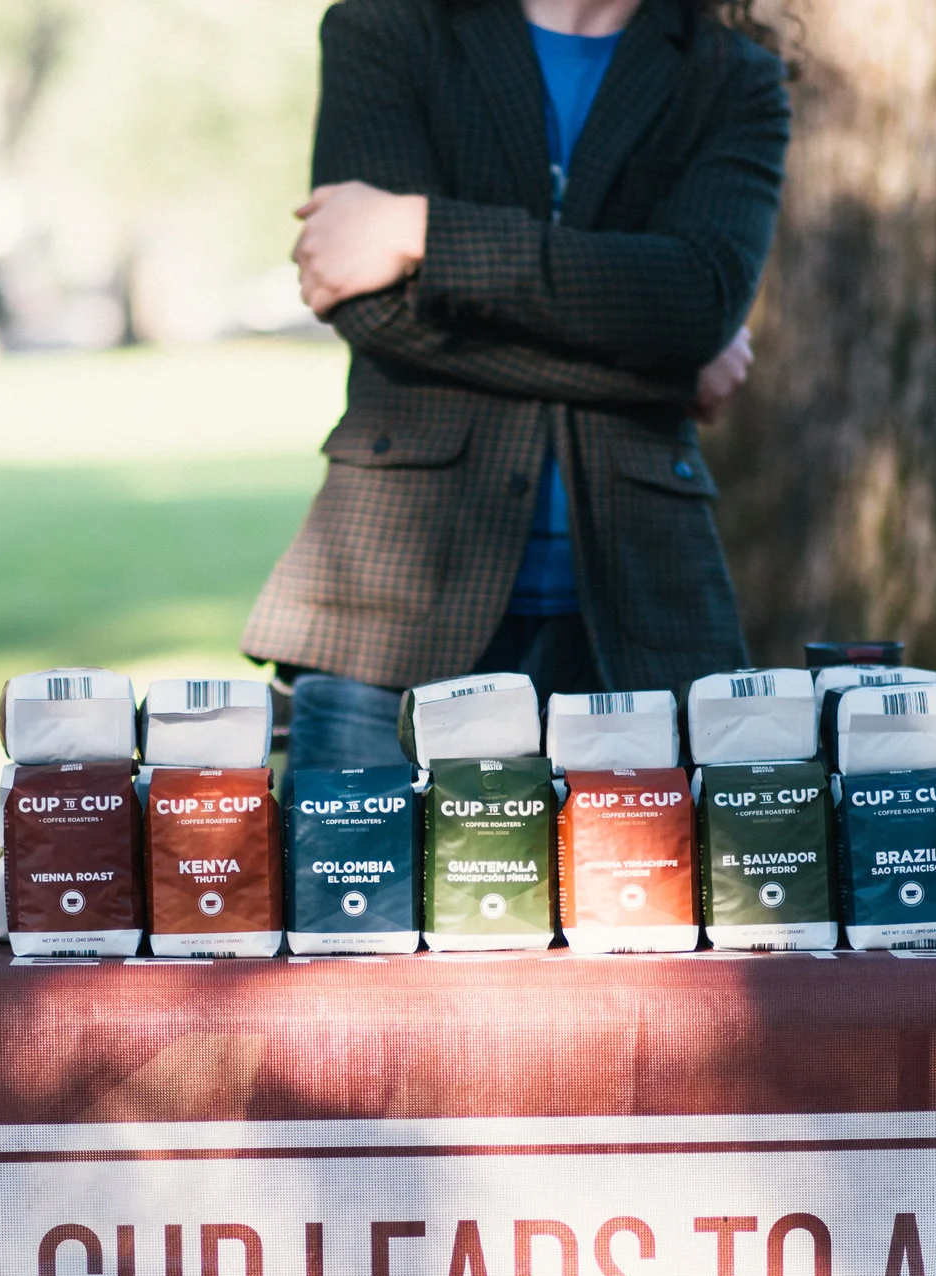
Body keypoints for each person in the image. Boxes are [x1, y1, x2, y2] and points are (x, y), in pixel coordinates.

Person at [243, 0, 790, 771]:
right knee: (367, 895)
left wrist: (424, 230)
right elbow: (375, 310)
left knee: (645, 899)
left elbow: (696, 301)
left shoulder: (737, 77)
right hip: (387, 614)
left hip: (643, 620)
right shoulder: (387, 29)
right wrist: (660, 367)